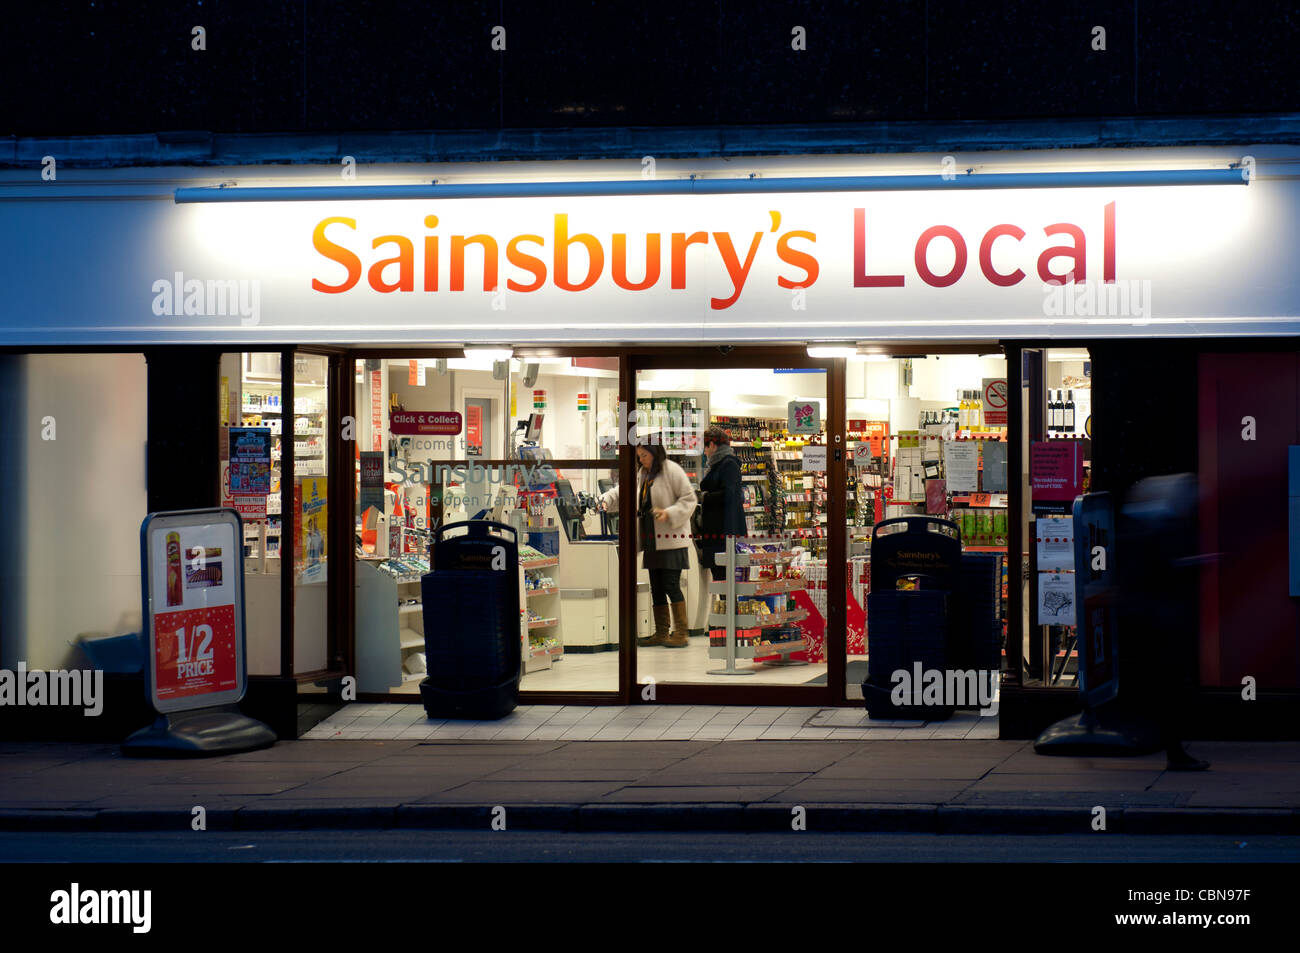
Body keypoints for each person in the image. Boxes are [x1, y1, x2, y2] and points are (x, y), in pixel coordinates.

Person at [600, 443, 697, 647]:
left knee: (671, 584)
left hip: (672, 539)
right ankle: (661, 632)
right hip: (652, 539)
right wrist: (606, 500)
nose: (642, 459)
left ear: (655, 453)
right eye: (639, 456)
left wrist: (669, 513)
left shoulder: (672, 470)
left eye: (644, 455)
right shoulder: (642, 474)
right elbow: (624, 490)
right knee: (657, 587)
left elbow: (690, 499)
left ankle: (681, 632)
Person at [698, 427, 746, 581]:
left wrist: (704, 497)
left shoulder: (728, 464)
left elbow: (730, 495)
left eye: (704, 447)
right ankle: (725, 606)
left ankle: (729, 606)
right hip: (718, 533)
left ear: (712, 445)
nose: (704, 452)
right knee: (720, 581)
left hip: (724, 534)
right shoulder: (719, 464)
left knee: (724, 581)